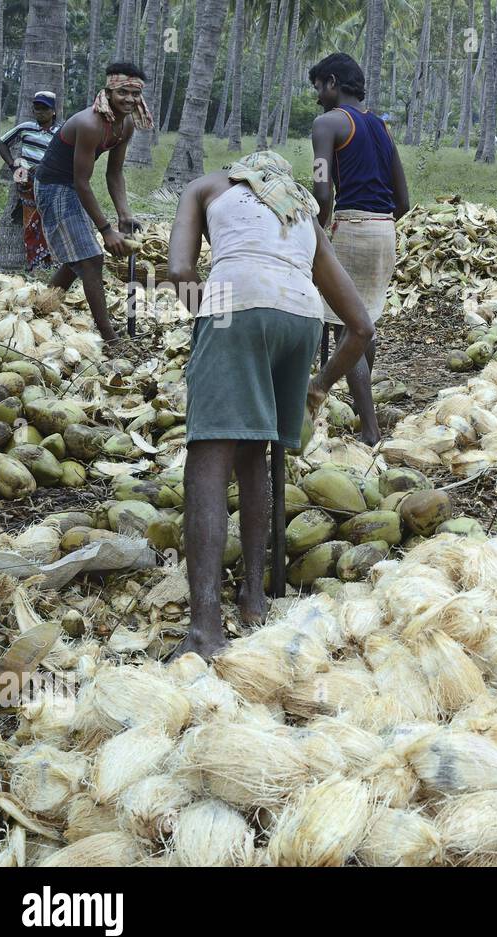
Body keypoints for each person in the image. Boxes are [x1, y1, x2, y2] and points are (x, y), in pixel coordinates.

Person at [166, 152, 373, 662]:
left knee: (207, 460)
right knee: (254, 452)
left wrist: (208, 316)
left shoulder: (207, 185)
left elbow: (177, 268)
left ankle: (205, 631)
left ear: (239, 171)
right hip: (300, 318)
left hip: (235, 306)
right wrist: (319, 386)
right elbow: (361, 328)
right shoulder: (301, 207)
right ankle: (254, 597)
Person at [310, 52, 411, 446]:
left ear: (332, 83)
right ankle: (359, 409)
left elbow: (322, 190)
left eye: (319, 88)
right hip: (385, 231)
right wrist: (378, 223)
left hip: (350, 228)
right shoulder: (383, 128)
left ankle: (369, 430)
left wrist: (319, 233)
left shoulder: (326, 124)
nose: (318, 97)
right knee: (364, 324)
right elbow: (403, 199)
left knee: (347, 330)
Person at [34, 63, 149, 343]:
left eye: (135, 93)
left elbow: (114, 173)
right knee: (91, 258)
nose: (129, 99)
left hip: (73, 185)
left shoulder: (126, 123)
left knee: (81, 256)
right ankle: (111, 340)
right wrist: (106, 229)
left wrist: (124, 214)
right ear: (109, 91)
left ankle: (39, 310)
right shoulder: (90, 123)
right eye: (123, 92)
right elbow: (82, 181)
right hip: (53, 186)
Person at [0, 91, 61, 273]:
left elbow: (65, 158)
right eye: (37, 108)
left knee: (47, 220)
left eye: (44, 109)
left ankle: (48, 259)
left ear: (53, 112)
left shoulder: (60, 133)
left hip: (49, 183)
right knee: (30, 220)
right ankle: (35, 261)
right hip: (25, 182)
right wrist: (12, 166)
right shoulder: (26, 127)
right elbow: (2, 143)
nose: (39, 112)